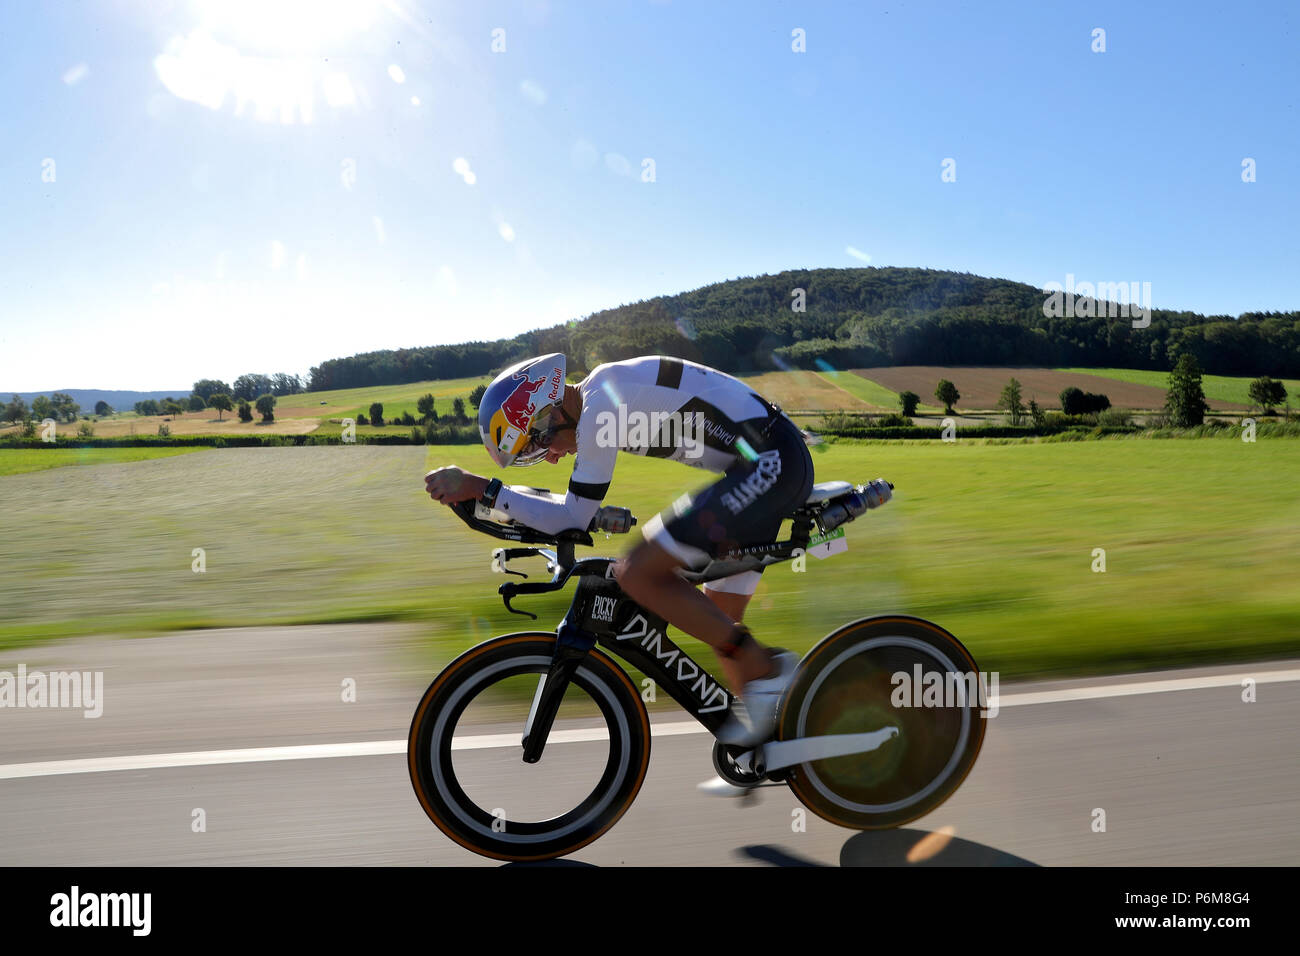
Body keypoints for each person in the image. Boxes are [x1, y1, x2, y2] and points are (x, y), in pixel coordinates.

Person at [424, 352, 815, 787]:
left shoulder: (598, 407)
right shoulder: (599, 396)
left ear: (548, 412)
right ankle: (775, 743)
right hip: (763, 464)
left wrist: (483, 488)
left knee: (637, 572)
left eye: (537, 444)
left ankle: (774, 673)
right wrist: (492, 499)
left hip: (768, 465)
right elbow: (571, 510)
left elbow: (572, 516)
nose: (549, 458)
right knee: (717, 624)